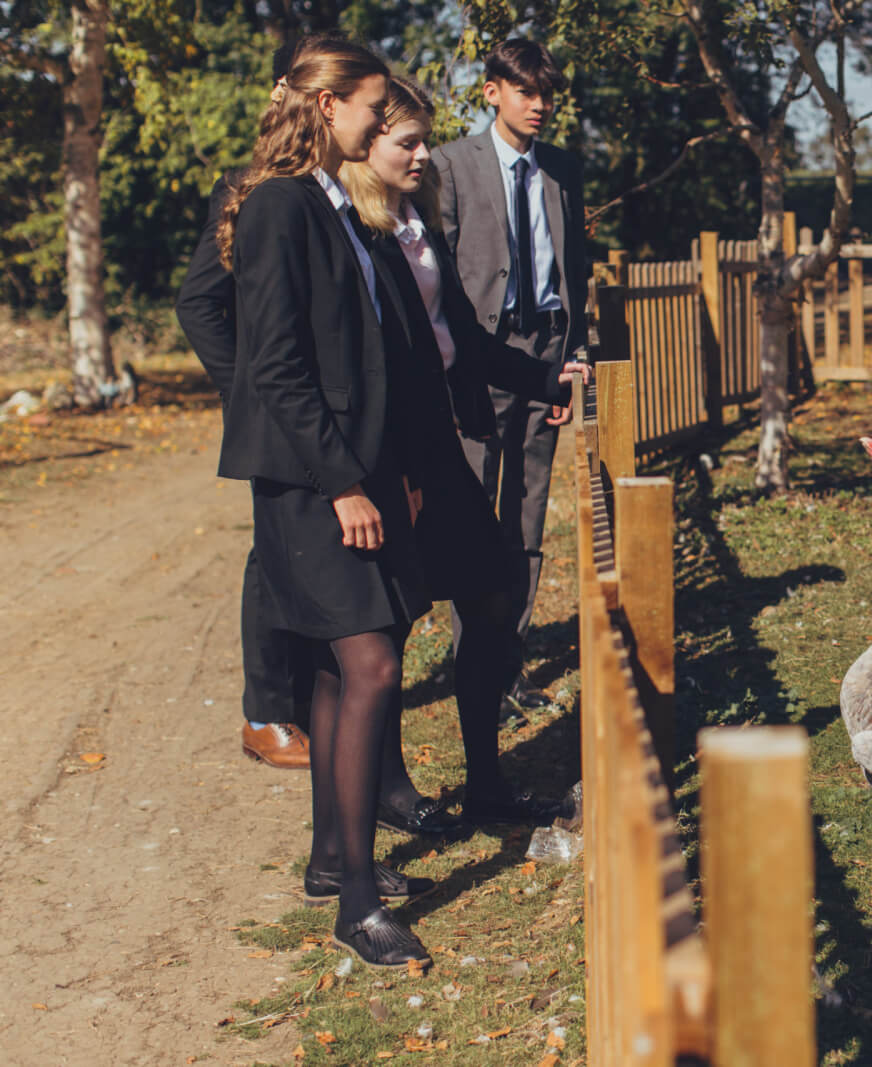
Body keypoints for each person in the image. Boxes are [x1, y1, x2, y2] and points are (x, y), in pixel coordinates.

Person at [214, 35, 431, 970]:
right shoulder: (277, 206)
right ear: (327, 106)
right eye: (373, 109)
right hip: (311, 482)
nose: (384, 125)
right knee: (372, 665)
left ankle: (329, 859)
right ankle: (355, 901)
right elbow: (274, 361)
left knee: (347, 674)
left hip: (357, 469)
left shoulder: (340, 200)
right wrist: (340, 480)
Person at [340, 76, 589, 826]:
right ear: (367, 145)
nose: (424, 155)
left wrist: (546, 374)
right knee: (386, 631)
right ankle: (389, 795)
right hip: (389, 457)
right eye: (408, 143)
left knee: (489, 596)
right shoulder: (355, 229)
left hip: (436, 448)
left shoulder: (415, 219)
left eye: (423, 140)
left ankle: (487, 784)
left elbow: (460, 340)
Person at [431, 38, 588, 713]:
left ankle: (508, 669)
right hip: (481, 359)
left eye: (548, 92)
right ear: (491, 90)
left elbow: (574, 275)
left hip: (546, 355)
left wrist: (572, 358)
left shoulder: (563, 172)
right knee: (475, 516)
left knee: (525, 517)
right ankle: (473, 665)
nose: (540, 104)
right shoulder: (449, 166)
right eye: (527, 91)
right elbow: (433, 276)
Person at [176, 46, 314, 771]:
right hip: (274, 407)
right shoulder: (247, 188)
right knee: (271, 559)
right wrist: (245, 389)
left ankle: (305, 700)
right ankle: (265, 714)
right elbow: (198, 302)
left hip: (324, 410)